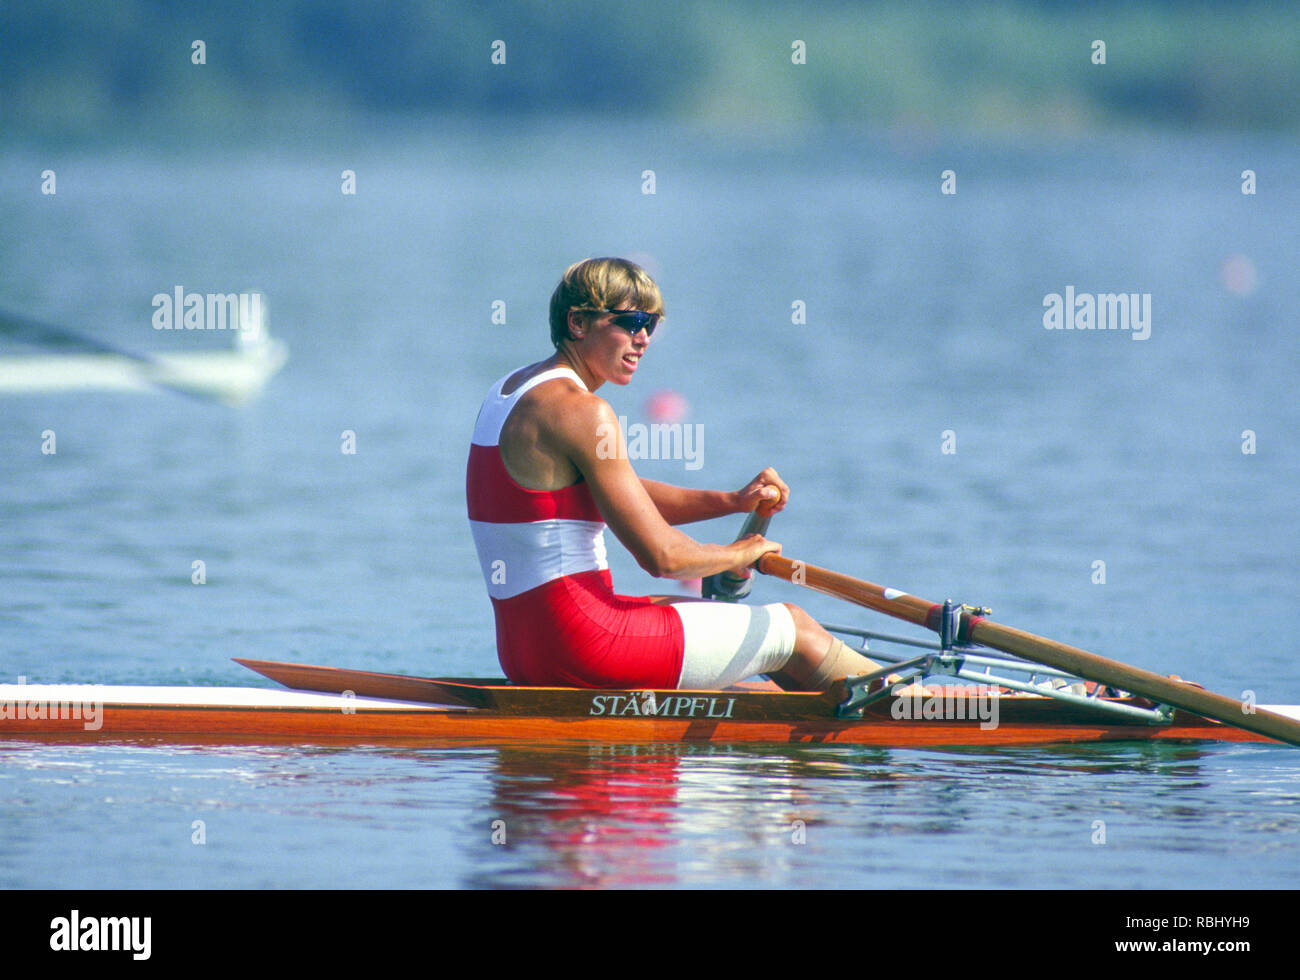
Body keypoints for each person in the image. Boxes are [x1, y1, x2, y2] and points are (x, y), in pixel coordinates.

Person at [467, 257, 887, 691]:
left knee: (746, 656)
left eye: (650, 323)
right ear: (578, 322)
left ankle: (805, 723)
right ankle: (921, 705)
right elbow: (663, 558)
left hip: (525, 650)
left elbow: (618, 491)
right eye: (630, 321)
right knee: (795, 630)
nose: (644, 338)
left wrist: (732, 502)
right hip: (585, 642)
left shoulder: (511, 390)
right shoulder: (583, 410)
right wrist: (743, 552)